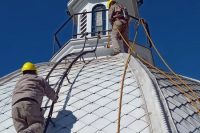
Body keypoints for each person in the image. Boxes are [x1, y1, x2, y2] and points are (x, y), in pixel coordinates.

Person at [12, 62, 58, 133]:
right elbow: (49, 91)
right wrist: (55, 98)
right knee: (38, 124)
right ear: (34, 71)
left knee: (21, 130)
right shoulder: (38, 79)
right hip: (30, 103)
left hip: (15, 108)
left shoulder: (18, 82)